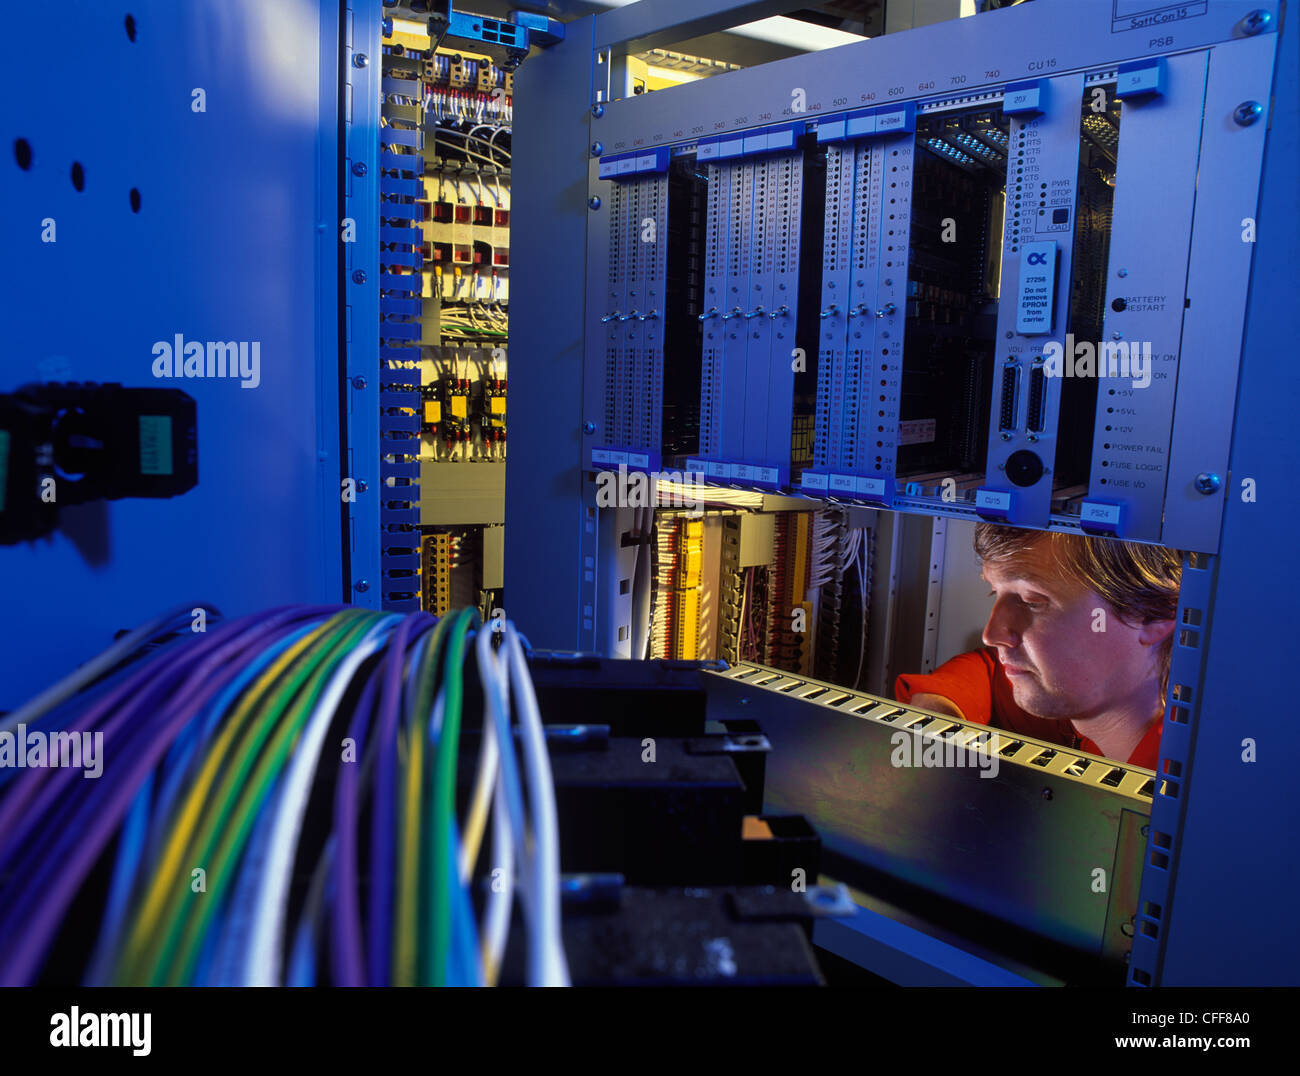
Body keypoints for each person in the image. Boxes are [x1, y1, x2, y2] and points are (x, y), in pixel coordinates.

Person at [894, 522, 1182, 768]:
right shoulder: (1090, 695)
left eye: (1033, 602)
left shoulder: (1182, 805)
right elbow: (992, 670)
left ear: (1152, 616)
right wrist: (940, 711)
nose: (991, 634)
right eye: (995, 592)